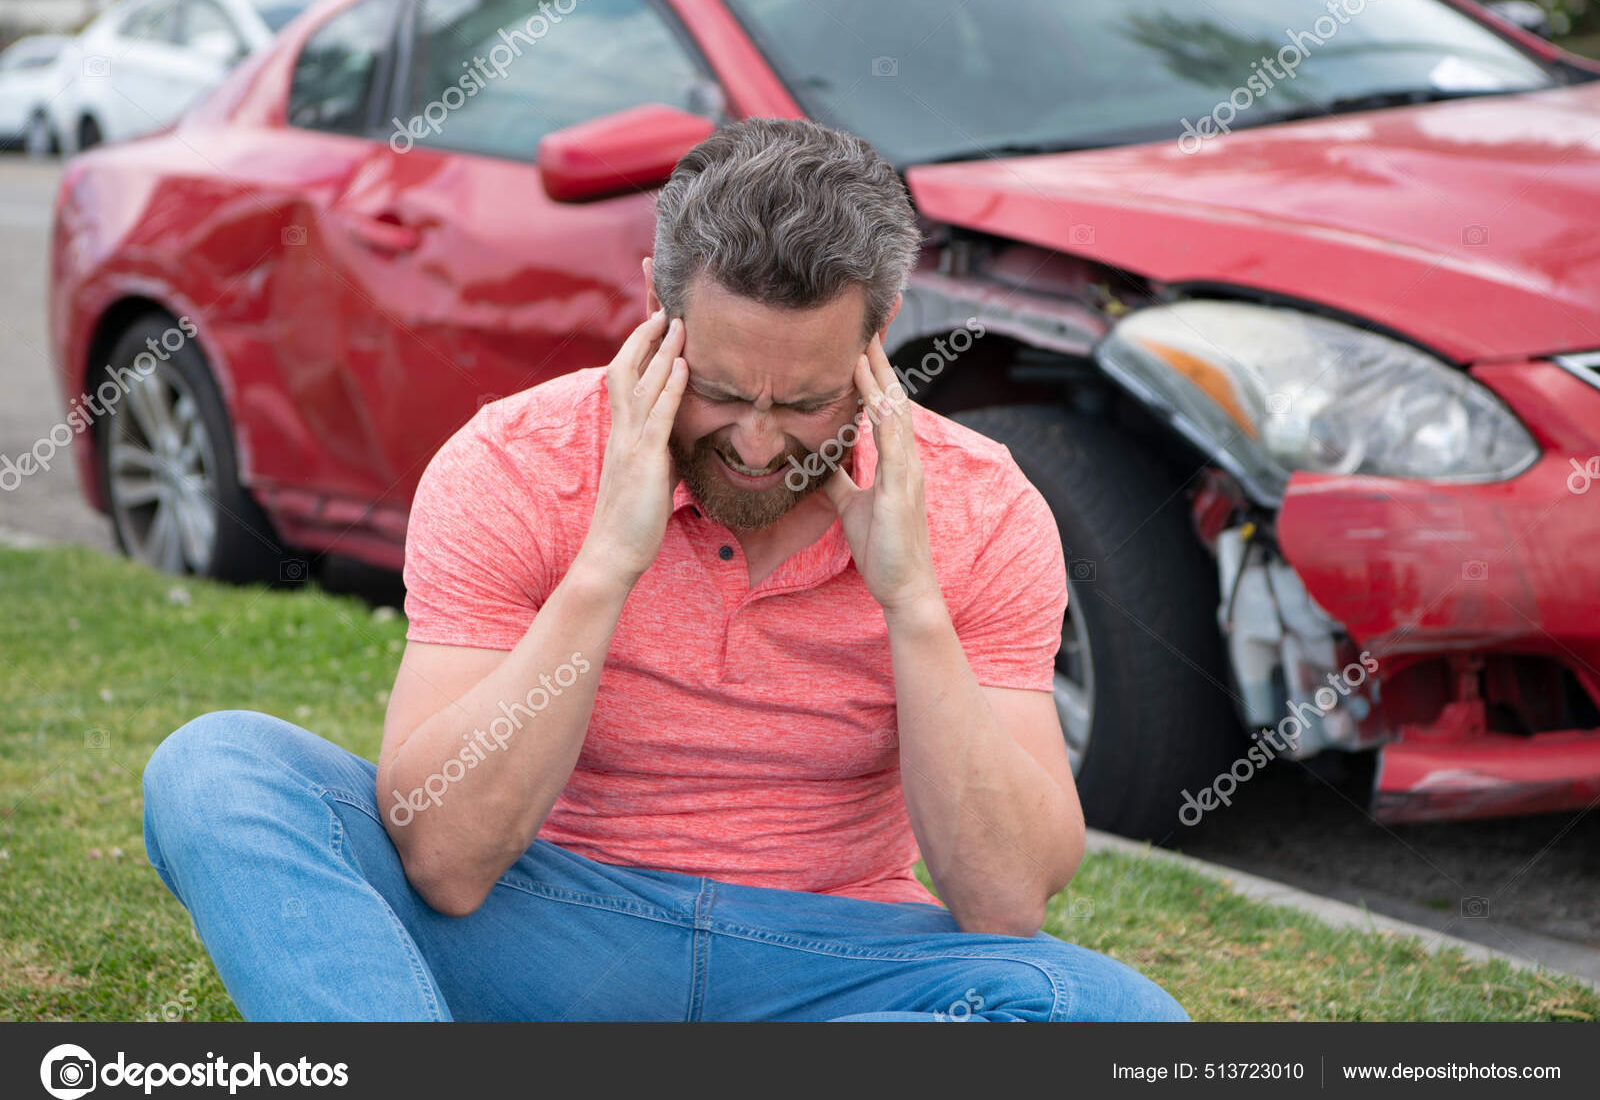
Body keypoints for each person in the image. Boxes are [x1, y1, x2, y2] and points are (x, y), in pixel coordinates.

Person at [142, 117, 1188, 1023]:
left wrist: (912, 604)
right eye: (722, 389)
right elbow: (447, 863)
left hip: (829, 965)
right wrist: (605, 566)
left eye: (808, 401)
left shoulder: (984, 507)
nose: (761, 444)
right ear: (654, 300)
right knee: (220, 771)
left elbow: (1004, 902)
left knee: (1116, 1018)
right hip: (548, 927)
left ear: (883, 329)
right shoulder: (511, 465)